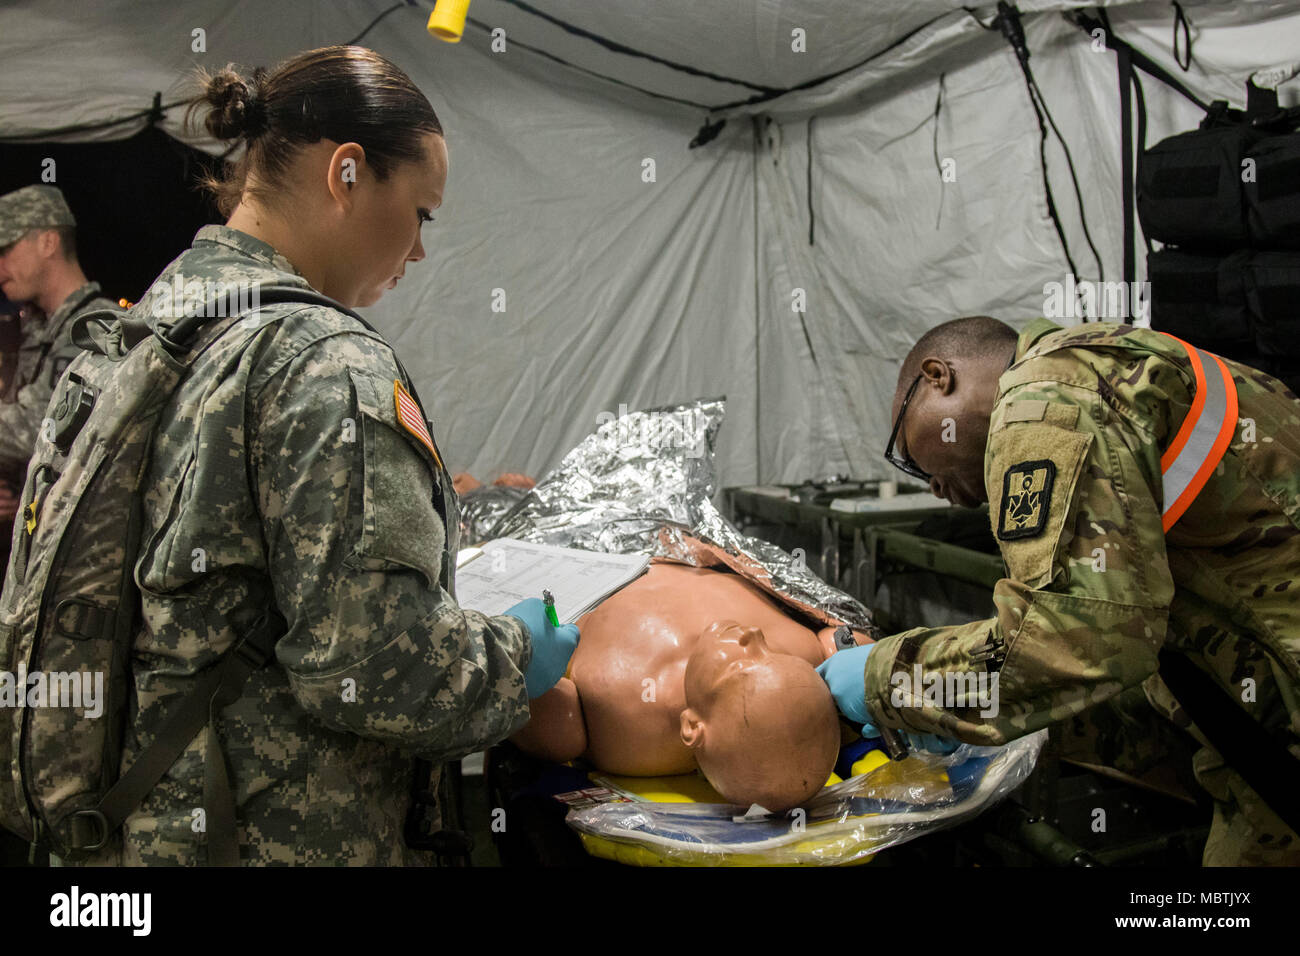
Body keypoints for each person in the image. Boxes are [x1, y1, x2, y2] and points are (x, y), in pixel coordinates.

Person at [35, 46, 577, 865]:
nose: (421, 250)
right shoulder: (321, 360)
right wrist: (515, 655)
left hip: (126, 827)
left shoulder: (148, 328)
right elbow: (373, 665)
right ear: (348, 175)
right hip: (269, 836)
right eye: (423, 213)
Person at [818, 315, 1300, 865]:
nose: (932, 485)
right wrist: (954, 708)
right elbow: (1129, 647)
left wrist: (890, 680)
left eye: (910, 453)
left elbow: (1075, 642)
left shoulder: (1043, 399)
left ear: (938, 376)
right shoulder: (1102, 362)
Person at [513, 558, 874, 811]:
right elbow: (845, 639)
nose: (752, 634)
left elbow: (540, 706)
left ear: (691, 726)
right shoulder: (805, 656)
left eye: (737, 665)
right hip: (692, 547)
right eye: (773, 654)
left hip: (597, 561)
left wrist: (520, 653)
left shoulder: (625, 721)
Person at [0, 185, 115, 547]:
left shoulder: (95, 327)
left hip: (81, 545)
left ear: (48, 242)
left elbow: (37, 427)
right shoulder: (39, 329)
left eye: (5, 250)